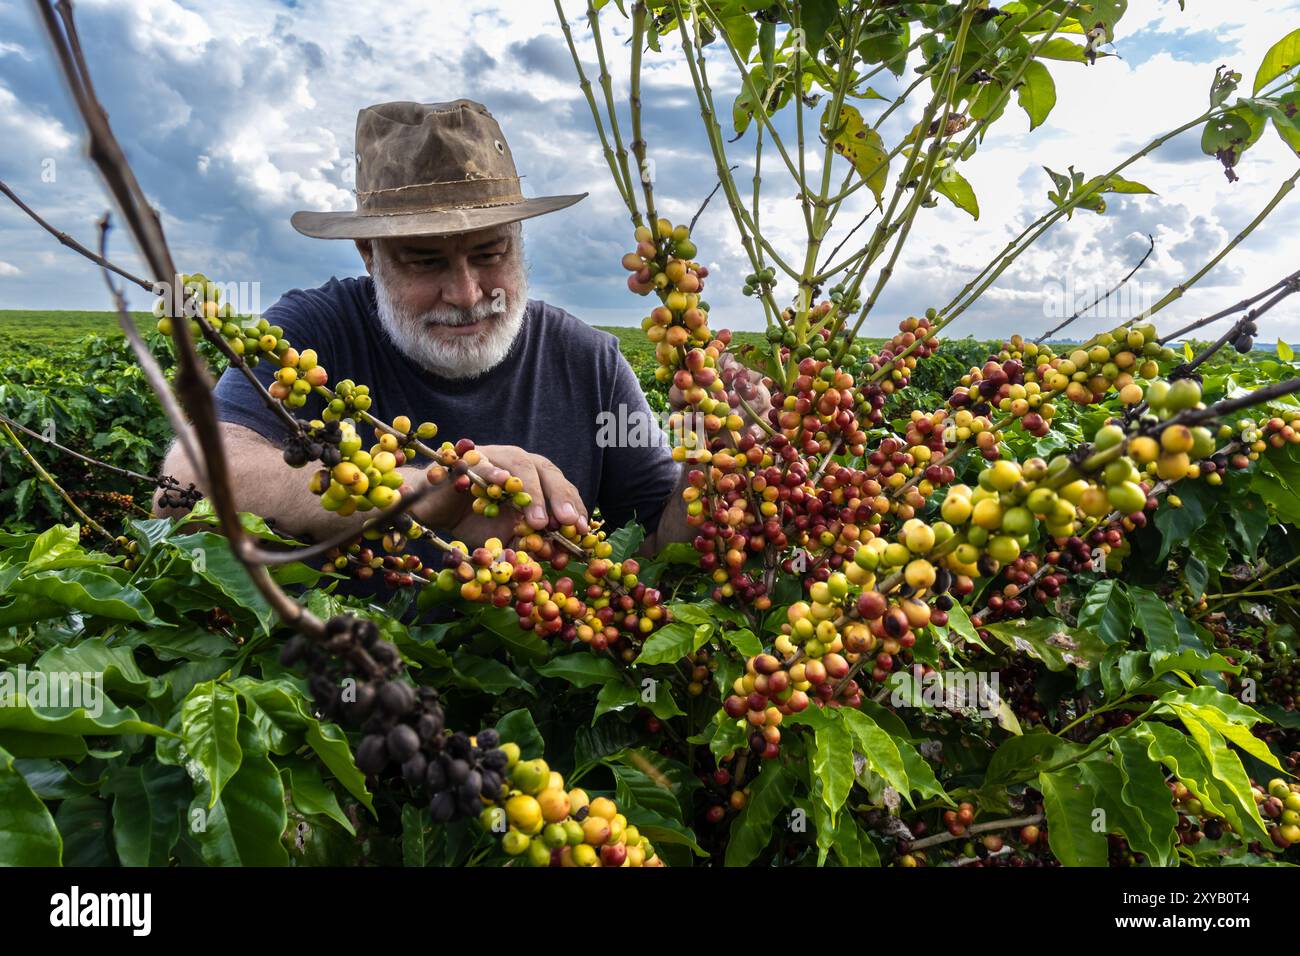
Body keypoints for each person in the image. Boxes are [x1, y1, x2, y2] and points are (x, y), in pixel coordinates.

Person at [154, 99, 765, 574]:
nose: (467, 293)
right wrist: (421, 492)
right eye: (425, 262)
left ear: (520, 247)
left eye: (490, 253)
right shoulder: (314, 332)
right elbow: (184, 486)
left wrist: (709, 466)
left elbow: (659, 556)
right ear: (370, 255)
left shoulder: (589, 361)